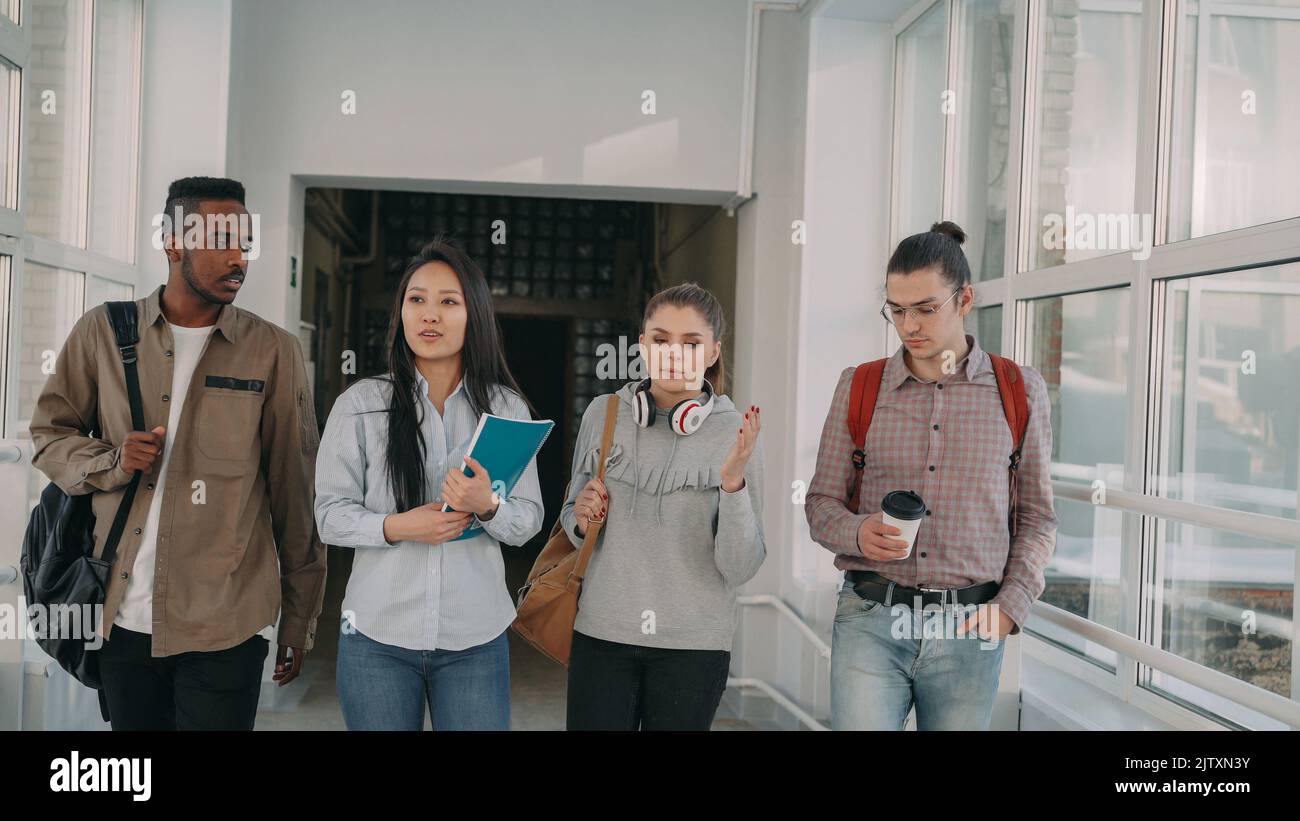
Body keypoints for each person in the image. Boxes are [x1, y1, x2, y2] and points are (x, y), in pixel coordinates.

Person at [30, 176, 327, 730]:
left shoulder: (273, 351)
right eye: (221, 240)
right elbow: (50, 435)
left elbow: (295, 492)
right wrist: (113, 461)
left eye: (245, 241)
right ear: (173, 243)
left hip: (225, 626)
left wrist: (299, 617)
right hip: (118, 619)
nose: (238, 257)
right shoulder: (103, 331)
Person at [805, 220, 1058, 731]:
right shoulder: (859, 386)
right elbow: (820, 503)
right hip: (871, 619)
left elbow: (1036, 518)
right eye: (896, 310)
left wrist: (1012, 606)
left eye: (925, 308)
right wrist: (858, 531)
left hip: (971, 625)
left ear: (964, 300)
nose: (909, 325)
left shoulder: (1020, 391)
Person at [315, 238, 542, 731]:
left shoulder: (505, 409)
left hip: (475, 641)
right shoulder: (361, 404)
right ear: (401, 312)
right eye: (416, 299)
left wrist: (489, 507)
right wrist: (398, 527)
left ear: (473, 314)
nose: (429, 315)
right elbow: (329, 516)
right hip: (376, 637)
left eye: (448, 302)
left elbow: (527, 523)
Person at [561, 282, 765, 731]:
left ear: (712, 352)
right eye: (660, 339)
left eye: (691, 342)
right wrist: (581, 515)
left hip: (693, 649)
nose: (674, 352)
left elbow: (740, 565)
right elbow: (571, 523)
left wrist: (732, 486)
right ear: (642, 346)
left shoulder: (737, 432)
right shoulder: (603, 413)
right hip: (602, 636)